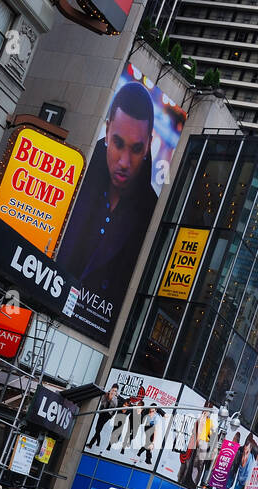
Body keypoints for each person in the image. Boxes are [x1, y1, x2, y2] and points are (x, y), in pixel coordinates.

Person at [56, 81, 158, 324]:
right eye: (118, 143)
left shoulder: (150, 213)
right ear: (107, 130)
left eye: (135, 149)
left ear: (148, 146)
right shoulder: (80, 173)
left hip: (93, 326)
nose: (124, 161)